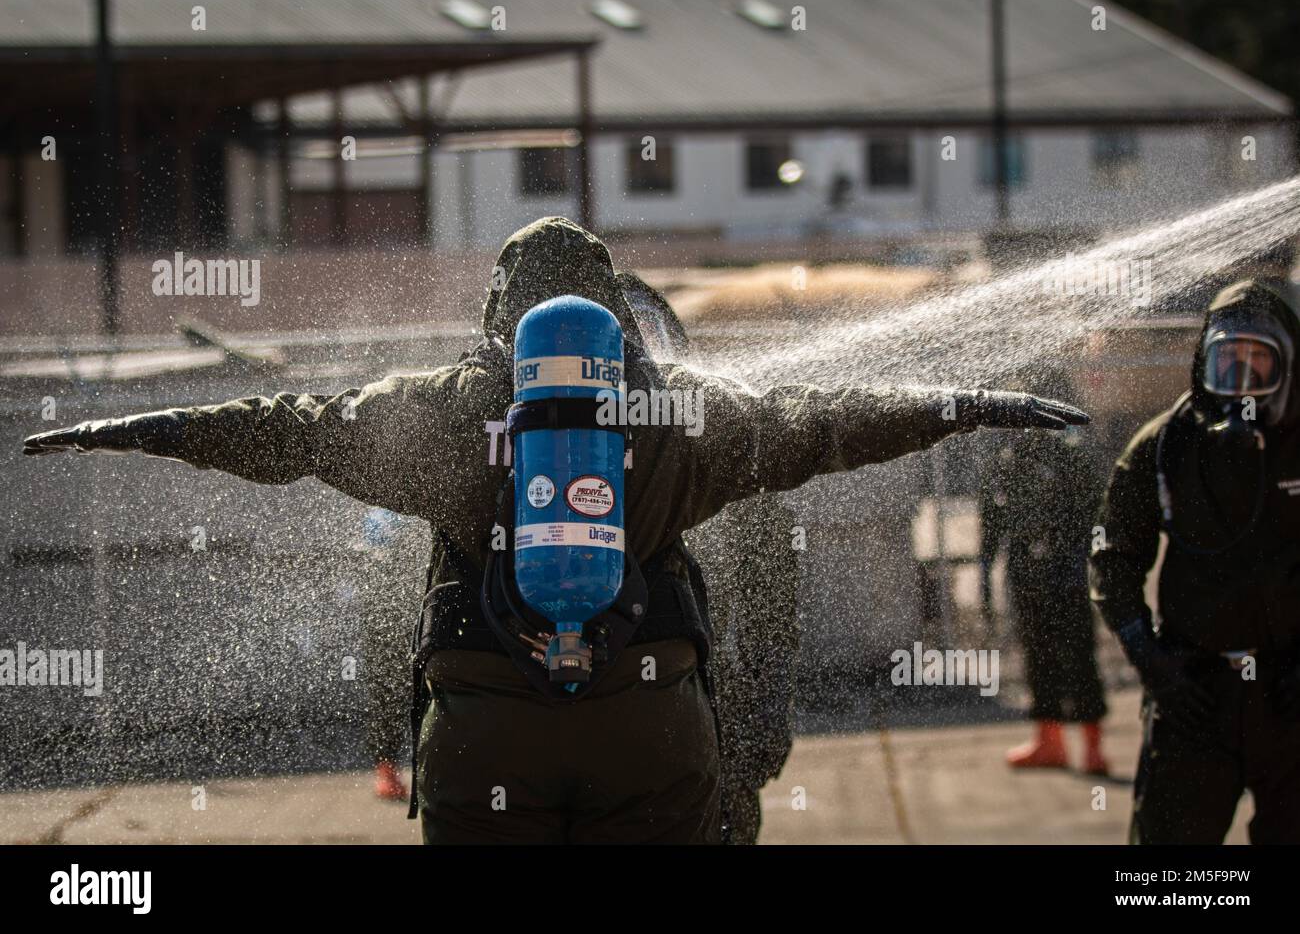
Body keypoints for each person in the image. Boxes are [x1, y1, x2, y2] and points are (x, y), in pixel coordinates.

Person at [24, 216, 1087, 844]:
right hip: (653, 725)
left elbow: (284, 431)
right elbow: (833, 421)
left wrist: (134, 428)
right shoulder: (683, 414)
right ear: (614, 313)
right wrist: (972, 401)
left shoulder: (440, 411)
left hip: (488, 726)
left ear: (500, 312)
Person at [1090, 278, 1300, 844]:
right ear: (1202, 363)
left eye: (1260, 365)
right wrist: (1150, 660)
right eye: (1227, 364)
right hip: (1193, 694)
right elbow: (1113, 560)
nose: (1242, 385)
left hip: (1289, 696)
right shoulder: (1164, 447)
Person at [621, 271, 801, 845]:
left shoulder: (727, 449)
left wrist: (762, 728)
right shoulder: (563, 469)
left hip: (719, 750)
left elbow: (773, 606)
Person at [980, 426, 1108, 774]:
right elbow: (990, 527)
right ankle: (1055, 744)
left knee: (1074, 653)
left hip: (1063, 573)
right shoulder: (1006, 461)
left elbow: (1097, 517)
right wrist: (986, 585)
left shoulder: (1067, 455)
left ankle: (1087, 748)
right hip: (1034, 572)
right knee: (1042, 654)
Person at [354, 506, 426, 801]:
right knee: (386, 692)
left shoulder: (389, 510)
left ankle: (407, 770)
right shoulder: (381, 511)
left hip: (415, 605)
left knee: (416, 691)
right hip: (385, 609)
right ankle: (387, 770)